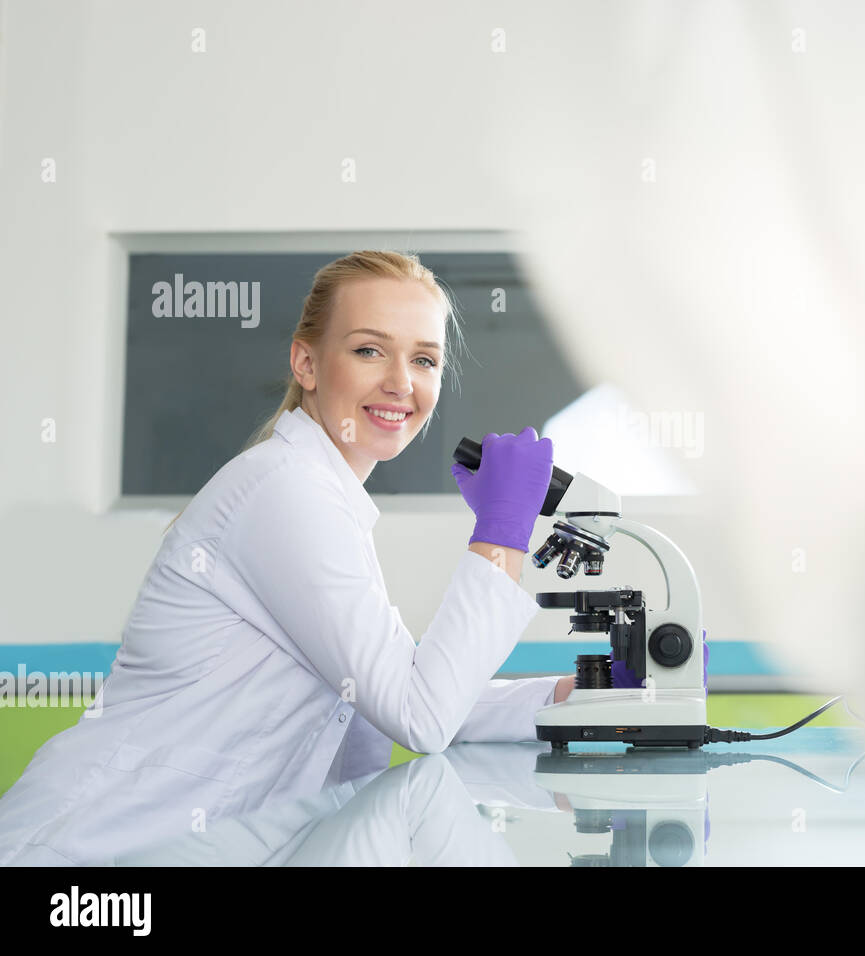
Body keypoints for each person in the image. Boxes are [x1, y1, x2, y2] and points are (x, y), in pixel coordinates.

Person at [0, 250, 574, 865]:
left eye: (424, 359)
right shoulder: (286, 492)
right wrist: (503, 532)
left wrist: (568, 698)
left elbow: (400, 695)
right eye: (368, 350)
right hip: (86, 857)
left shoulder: (324, 498)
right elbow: (419, 715)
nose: (401, 382)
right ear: (306, 362)